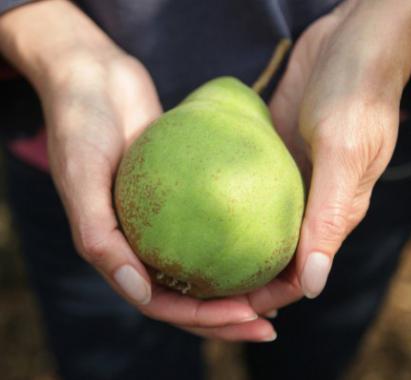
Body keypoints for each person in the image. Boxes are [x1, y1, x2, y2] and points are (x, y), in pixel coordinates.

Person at [0, 0, 410, 379]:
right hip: (82, 144)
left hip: (350, 134)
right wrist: (56, 47)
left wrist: (391, 21)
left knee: (314, 355)